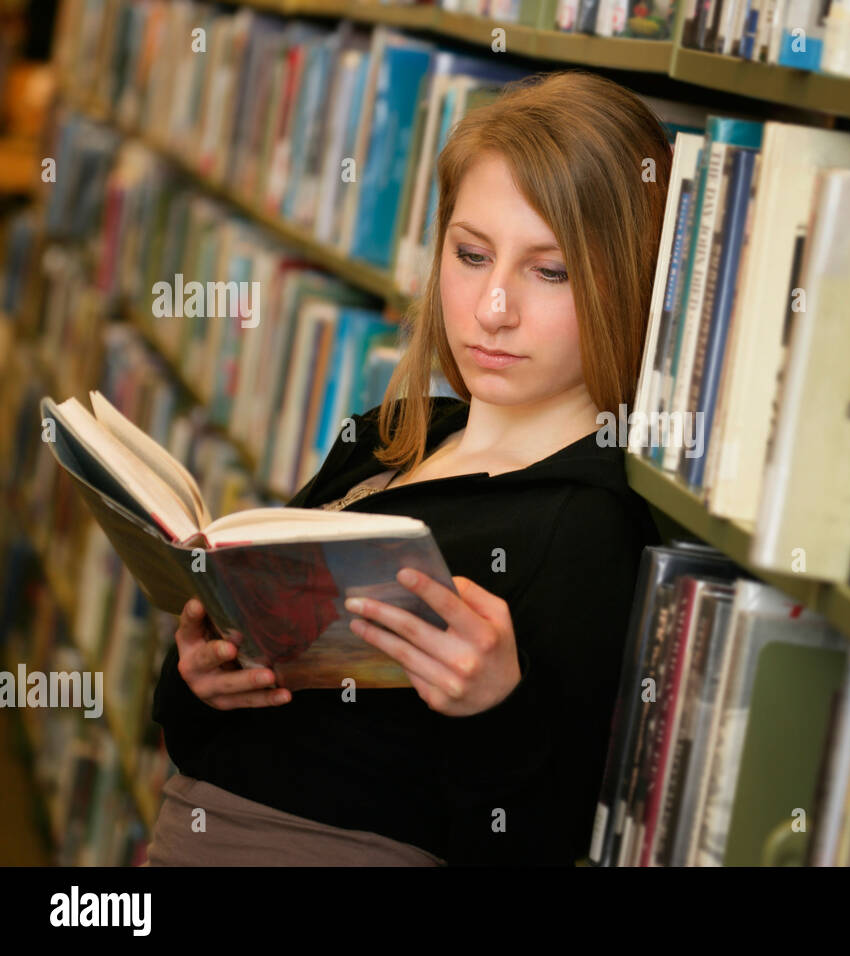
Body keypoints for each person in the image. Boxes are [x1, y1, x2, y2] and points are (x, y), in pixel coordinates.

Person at [145, 69, 672, 866]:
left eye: (549, 270)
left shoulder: (589, 527)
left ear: (627, 283)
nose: (493, 307)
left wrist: (495, 709)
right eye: (471, 255)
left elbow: (534, 843)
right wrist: (196, 678)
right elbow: (194, 742)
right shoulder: (388, 437)